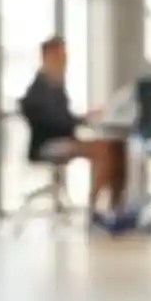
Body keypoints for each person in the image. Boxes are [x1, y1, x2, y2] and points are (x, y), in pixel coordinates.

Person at [19, 36, 127, 227]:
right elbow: (56, 122)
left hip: (63, 140)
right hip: (47, 146)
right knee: (103, 149)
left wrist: (85, 118)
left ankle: (116, 209)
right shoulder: (40, 87)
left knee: (116, 146)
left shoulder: (56, 84)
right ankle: (94, 210)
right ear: (48, 55)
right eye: (61, 54)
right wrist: (81, 120)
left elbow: (64, 119)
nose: (65, 58)